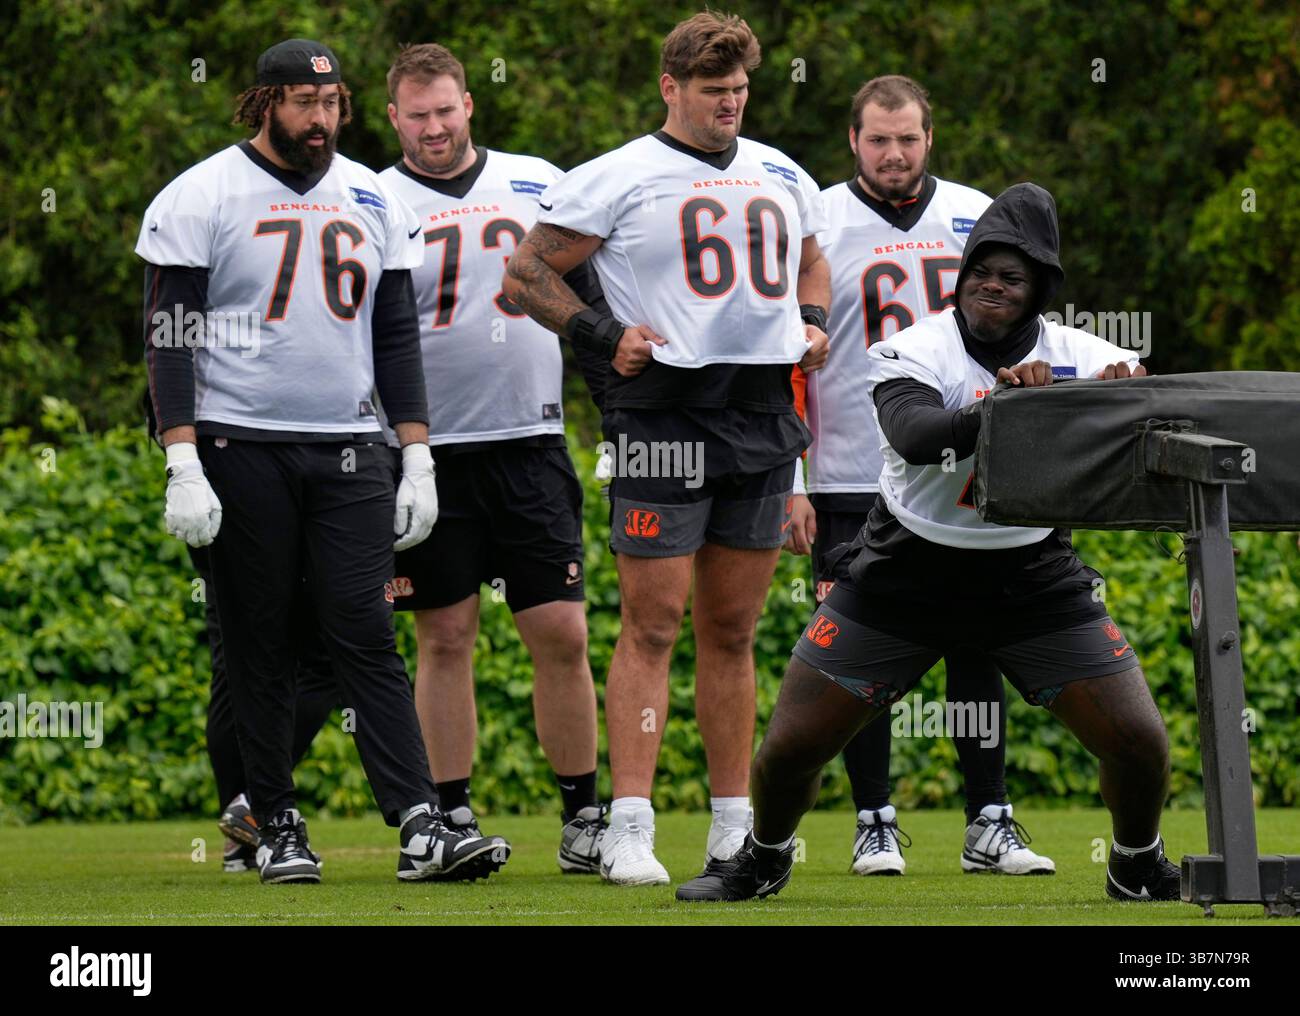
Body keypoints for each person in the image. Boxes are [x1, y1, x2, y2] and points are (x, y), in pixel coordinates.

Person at [685, 182, 1180, 903]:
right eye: (980, 271)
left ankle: (1135, 862)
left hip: (1031, 573)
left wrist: (1116, 393)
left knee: (1140, 742)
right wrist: (1008, 407)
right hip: (903, 570)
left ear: (1039, 288)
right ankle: (763, 857)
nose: (991, 287)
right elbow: (916, 437)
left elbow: (1148, 401)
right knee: (792, 747)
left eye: (1011, 277)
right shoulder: (915, 346)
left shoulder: (1077, 350)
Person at [137, 38, 508, 884]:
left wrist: (417, 454)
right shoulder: (204, 193)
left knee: (366, 633)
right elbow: (168, 338)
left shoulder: (371, 195)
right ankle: (276, 822)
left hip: (348, 445)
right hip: (238, 444)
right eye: (305, 103)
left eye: (334, 102)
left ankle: (419, 822)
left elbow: (395, 332)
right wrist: (182, 459)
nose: (322, 118)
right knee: (257, 641)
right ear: (265, 102)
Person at [503, 11, 830, 890]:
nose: (729, 104)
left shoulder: (781, 170)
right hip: (665, 416)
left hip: (759, 413)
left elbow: (812, 264)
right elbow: (526, 273)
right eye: (712, 90)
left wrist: (814, 321)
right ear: (670, 88)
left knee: (733, 630)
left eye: (740, 89)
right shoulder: (616, 175)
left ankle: (734, 830)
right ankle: (630, 825)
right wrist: (604, 332)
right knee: (652, 624)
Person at [786, 75, 1053, 876]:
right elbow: (786, 356)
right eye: (878, 140)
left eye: (907, 139)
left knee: (977, 640)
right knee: (862, 653)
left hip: (962, 465)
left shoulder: (976, 215)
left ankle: (990, 821)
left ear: (929, 137)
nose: (894, 154)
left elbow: (1029, 337)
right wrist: (791, 478)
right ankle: (874, 821)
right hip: (846, 469)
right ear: (853, 140)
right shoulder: (819, 220)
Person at [378, 43, 608, 873]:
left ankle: (585, 816)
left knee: (562, 632)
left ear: (469, 104)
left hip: (531, 439)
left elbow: (592, 301)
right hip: (429, 452)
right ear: (394, 118)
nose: (434, 128)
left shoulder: (538, 180)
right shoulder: (375, 198)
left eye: (446, 110)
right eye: (417, 114)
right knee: (445, 635)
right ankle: (449, 814)